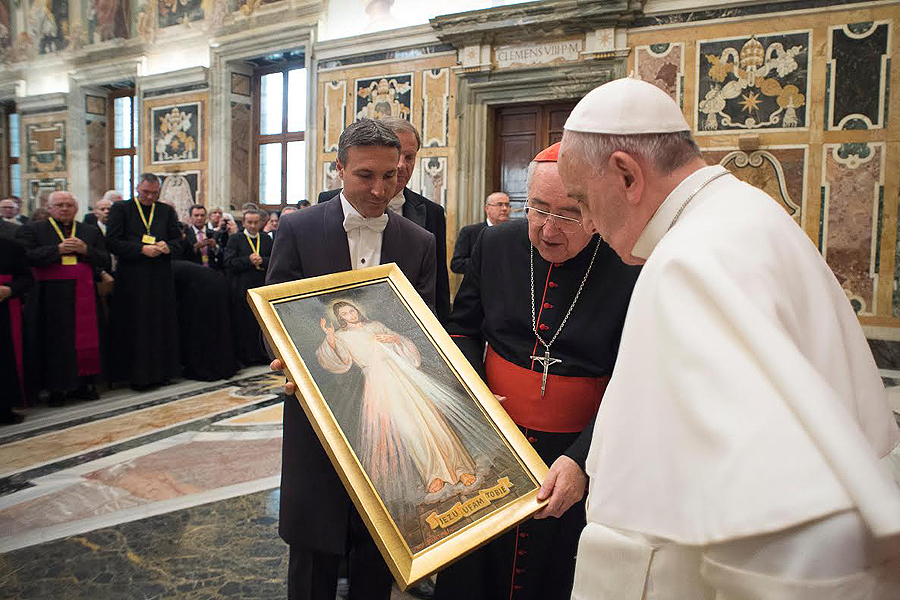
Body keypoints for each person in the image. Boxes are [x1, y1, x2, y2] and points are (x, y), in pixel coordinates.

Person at [556, 77, 900, 599]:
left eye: (581, 200)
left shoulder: (689, 262)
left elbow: (785, 526)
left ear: (627, 174)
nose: (585, 222)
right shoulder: (746, 214)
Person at [433, 144, 639, 600]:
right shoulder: (494, 244)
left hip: (576, 451)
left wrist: (584, 460)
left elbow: (637, 379)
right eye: (537, 209)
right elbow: (463, 329)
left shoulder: (629, 264)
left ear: (596, 211)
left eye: (568, 215)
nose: (547, 230)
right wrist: (475, 396)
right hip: (489, 442)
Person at [268, 118, 437, 600]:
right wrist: (286, 358)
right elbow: (275, 309)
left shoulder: (418, 243)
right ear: (339, 168)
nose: (381, 188)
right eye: (366, 175)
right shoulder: (298, 229)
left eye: (393, 175)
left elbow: (424, 328)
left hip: (389, 407)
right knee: (314, 539)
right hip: (318, 410)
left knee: (379, 537)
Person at [319, 117, 451, 324]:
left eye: (409, 157)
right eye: (397, 155)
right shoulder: (325, 205)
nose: (401, 165)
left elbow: (437, 289)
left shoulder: (432, 213)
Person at [19, 191, 110, 406]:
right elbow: (25, 257)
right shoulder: (33, 230)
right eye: (59, 205)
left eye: (69, 205)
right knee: (54, 342)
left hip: (83, 294)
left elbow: (105, 259)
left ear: (76, 208)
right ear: (49, 208)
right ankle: (55, 388)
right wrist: (57, 249)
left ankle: (83, 383)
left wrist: (85, 249)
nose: (64, 208)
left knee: (84, 339)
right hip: (49, 297)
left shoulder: (89, 231)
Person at [106, 173, 182, 390]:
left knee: (159, 323)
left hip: (160, 278)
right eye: (145, 192)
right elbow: (111, 241)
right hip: (132, 278)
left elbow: (178, 241)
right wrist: (140, 249)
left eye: (154, 193)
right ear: (137, 188)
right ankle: (135, 375)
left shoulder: (165, 211)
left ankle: (162, 371)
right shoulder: (121, 209)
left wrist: (168, 247)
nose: (149, 197)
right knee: (137, 325)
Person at [224, 208, 272, 366]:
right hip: (242, 288)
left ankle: (261, 355)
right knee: (243, 324)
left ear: (261, 223)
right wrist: (248, 260)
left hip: (261, 287)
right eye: (249, 222)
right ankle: (245, 357)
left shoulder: (265, 239)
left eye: (256, 222)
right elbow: (228, 262)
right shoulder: (236, 239)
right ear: (243, 223)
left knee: (260, 324)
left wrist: (262, 261)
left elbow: (274, 259)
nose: (252, 226)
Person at [0, 234, 32, 422]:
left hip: (4, 309)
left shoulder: (11, 246)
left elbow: (27, 278)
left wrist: (10, 289)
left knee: (4, 358)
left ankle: (4, 406)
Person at [449, 191, 511, 275]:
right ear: (487, 209)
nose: (504, 208)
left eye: (507, 205)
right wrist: (487, 262)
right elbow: (457, 265)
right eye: (500, 204)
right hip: (480, 286)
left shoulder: (514, 233)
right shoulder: (470, 232)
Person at [182, 204, 221, 269]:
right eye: (196, 215)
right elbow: (182, 255)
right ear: (190, 217)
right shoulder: (185, 234)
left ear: (206, 217)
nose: (199, 218)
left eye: (202, 215)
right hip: (193, 270)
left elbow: (222, 255)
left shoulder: (214, 234)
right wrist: (195, 248)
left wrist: (215, 247)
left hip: (211, 270)